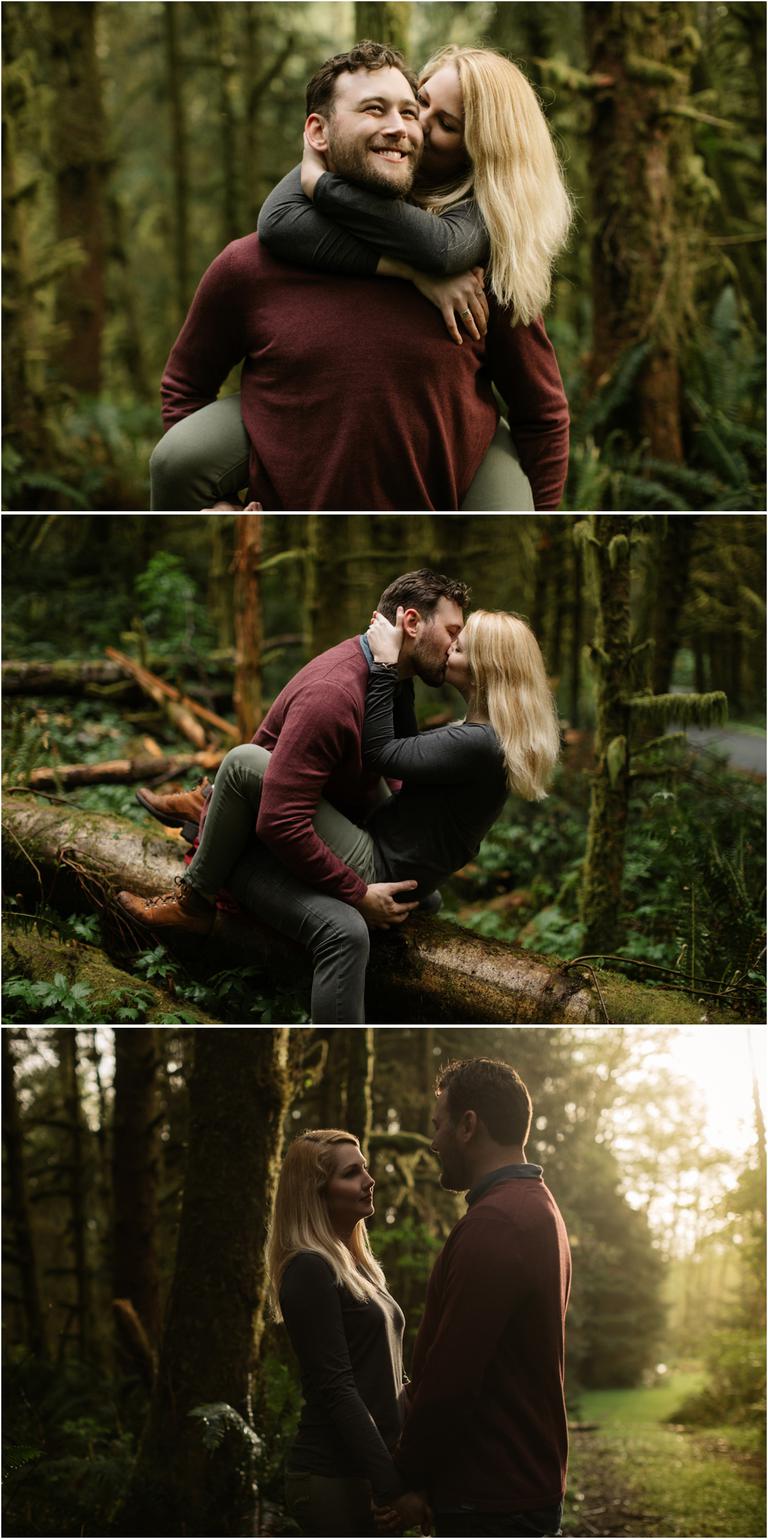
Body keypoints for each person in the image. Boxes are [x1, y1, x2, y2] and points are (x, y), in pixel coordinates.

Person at [117, 574, 560, 1023]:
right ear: (411, 624)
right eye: (452, 636)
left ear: (487, 668)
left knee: (250, 770)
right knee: (244, 762)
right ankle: (201, 873)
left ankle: (215, 813)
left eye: (460, 645)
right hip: (340, 837)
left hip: (374, 855)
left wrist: (388, 670)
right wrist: (358, 894)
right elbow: (393, 765)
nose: (451, 648)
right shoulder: (354, 697)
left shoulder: (473, 739)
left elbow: (387, 754)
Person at [150, 41, 570, 512]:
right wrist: (220, 507)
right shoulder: (255, 260)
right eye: (419, 104)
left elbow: (542, 414)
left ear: (475, 155)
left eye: (444, 125)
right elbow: (185, 385)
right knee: (177, 458)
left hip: (455, 479)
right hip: (284, 481)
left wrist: (546, 525)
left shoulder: (481, 271)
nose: (411, 129)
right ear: (319, 133)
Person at [389, 1058, 572, 1538]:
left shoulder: (498, 1222)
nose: (432, 1141)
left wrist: (408, 1477)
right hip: (510, 1491)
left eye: (438, 1124)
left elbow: (454, 1375)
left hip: (491, 1499)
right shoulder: (535, 1205)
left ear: (468, 1124)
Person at [266, 1128, 431, 1537]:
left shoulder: (356, 1266)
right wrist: (392, 1489)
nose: (369, 1180)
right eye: (352, 1173)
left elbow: (386, 1376)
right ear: (316, 1192)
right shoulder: (309, 1269)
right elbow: (338, 1388)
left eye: (365, 1168)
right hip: (333, 1478)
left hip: (370, 1472)